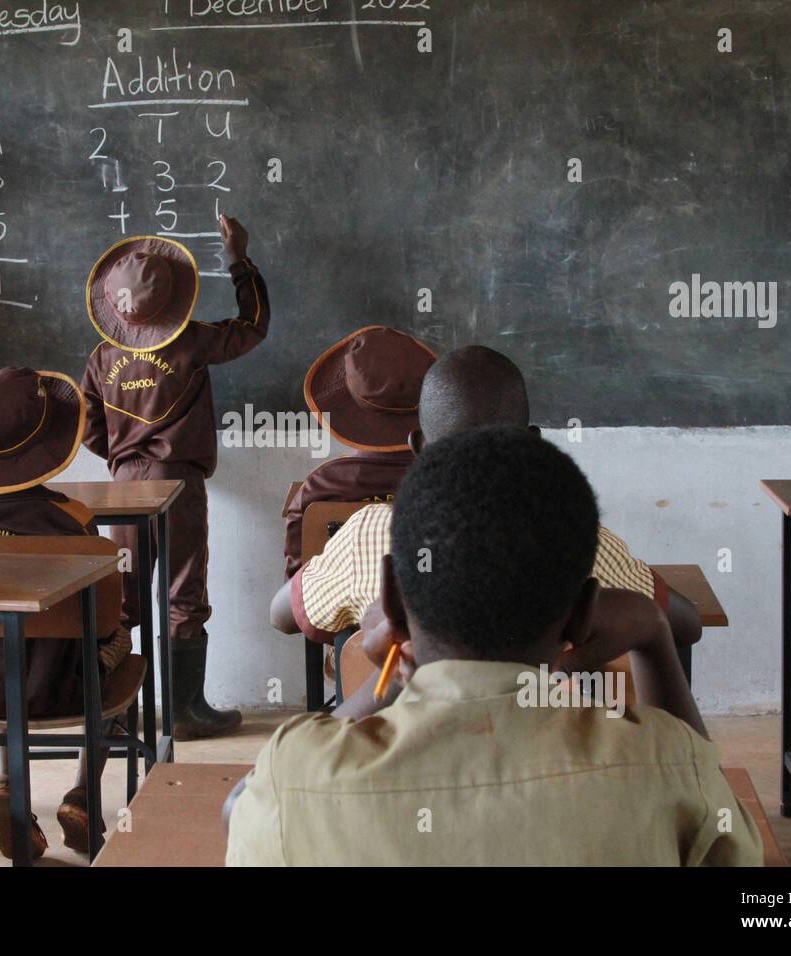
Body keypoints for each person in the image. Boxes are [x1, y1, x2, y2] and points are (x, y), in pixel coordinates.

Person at [226, 427, 762, 866]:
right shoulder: (667, 765)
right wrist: (653, 637)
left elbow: (242, 810)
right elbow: (726, 843)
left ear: (391, 597)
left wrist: (386, 677)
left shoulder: (297, 776)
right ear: (581, 613)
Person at [270, 346, 702, 653]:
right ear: (531, 443)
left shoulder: (369, 534)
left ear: (418, 447)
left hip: (404, 766)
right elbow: (684, 623)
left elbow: (282, 615)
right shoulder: (578, 541)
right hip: (542, 770)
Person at [0, 367, 133, 858]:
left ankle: (4, 783)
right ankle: (82, 795)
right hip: (62, 687)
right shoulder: (71, 522)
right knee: (112, 641)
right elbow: (102, 620)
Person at [81, 217, 270, 739]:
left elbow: (87, 427)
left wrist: (123, 459)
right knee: (183, 595)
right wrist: (239, 260)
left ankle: (116, 716)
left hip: (124, 491)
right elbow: (252, 326)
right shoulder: (192, 342)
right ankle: (184, 712)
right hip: (179, 485)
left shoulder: (102, 356)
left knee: (120, 600)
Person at [282, 326, 435, 579]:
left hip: (336, 617)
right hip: (429, 615)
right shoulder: (446, 480)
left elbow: (296, 582)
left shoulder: (320, 487)